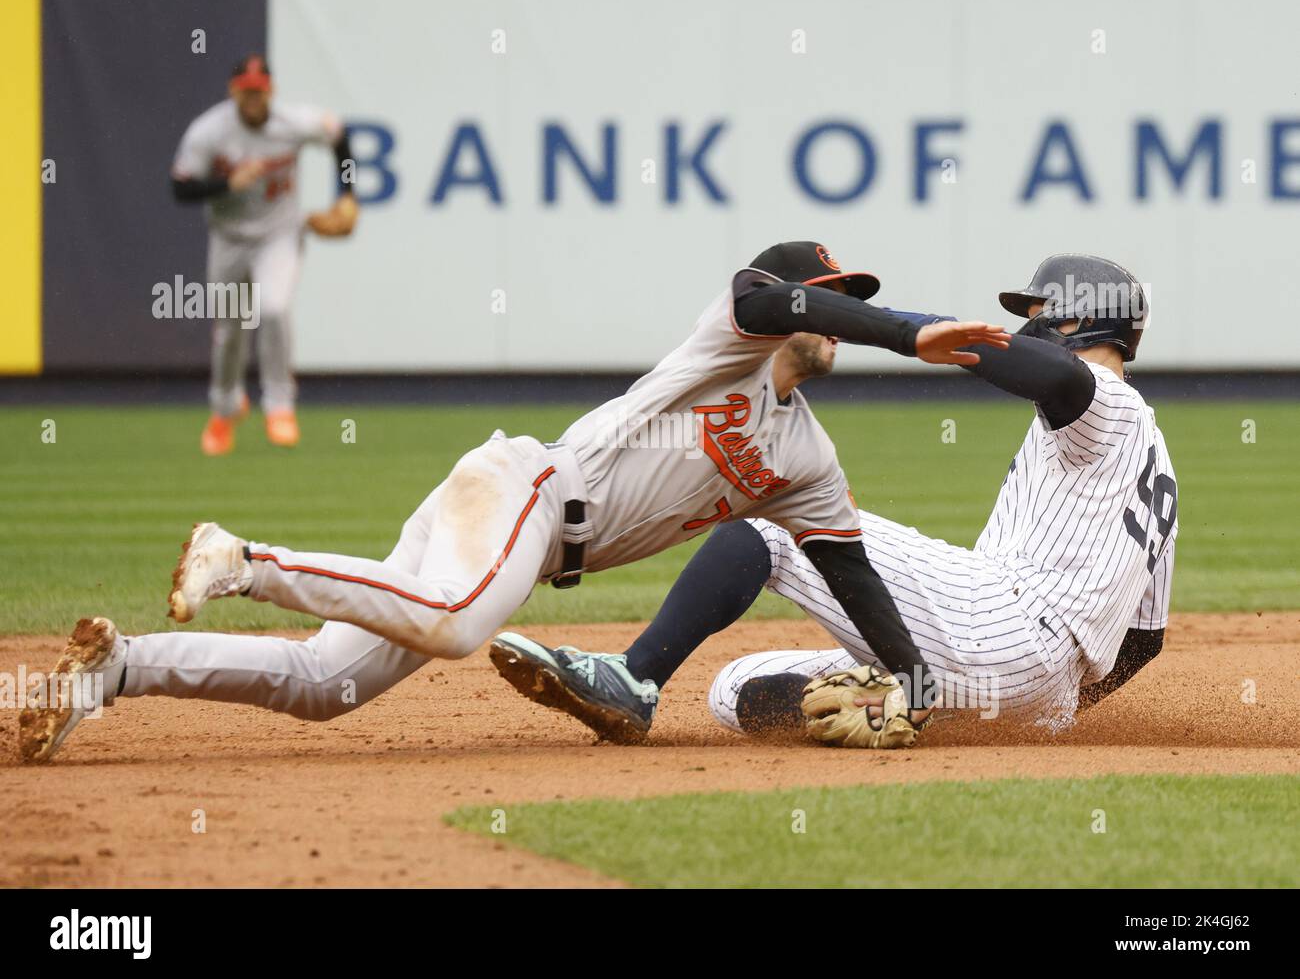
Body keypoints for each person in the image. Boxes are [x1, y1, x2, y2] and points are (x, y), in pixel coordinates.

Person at [18, 242, 1009, 763]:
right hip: (531, 487)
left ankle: (114, 670)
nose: (833, 316)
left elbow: (850, 571)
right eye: (830, 296)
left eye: (846, 300)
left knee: (327, 685)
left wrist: (918, 687)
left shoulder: (806, 459)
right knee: (455, 626)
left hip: (517, 540)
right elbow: (768, 297)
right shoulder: (733, 336)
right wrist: (904, 326)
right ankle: (244, 558)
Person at [498, 254, 1177, 745]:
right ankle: (887, 707)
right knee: (733, 692)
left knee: (770, 521)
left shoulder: (1105, 402)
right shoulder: (1157, 468)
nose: (1024, 329)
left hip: (1004, 627)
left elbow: (1060, 374)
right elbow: (1143, 642)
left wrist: (934, 337)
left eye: (1033, 315)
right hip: (1028, 687)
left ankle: (632, 680)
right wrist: (1038, 715)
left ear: (1077, 318)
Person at [171, 53, 359, 455]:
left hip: (279, 234)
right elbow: (180, 187)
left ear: (270, 91)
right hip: (229, 239)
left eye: (259, 91)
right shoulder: (209, 131)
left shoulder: (292, 123)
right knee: (228, 333)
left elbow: (339, 135)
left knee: (272, 308)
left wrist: (347, 194)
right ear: (233, 91)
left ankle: (279, 405)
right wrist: (225, 183)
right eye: (246, 92)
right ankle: (224, 410)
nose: (253, 99)